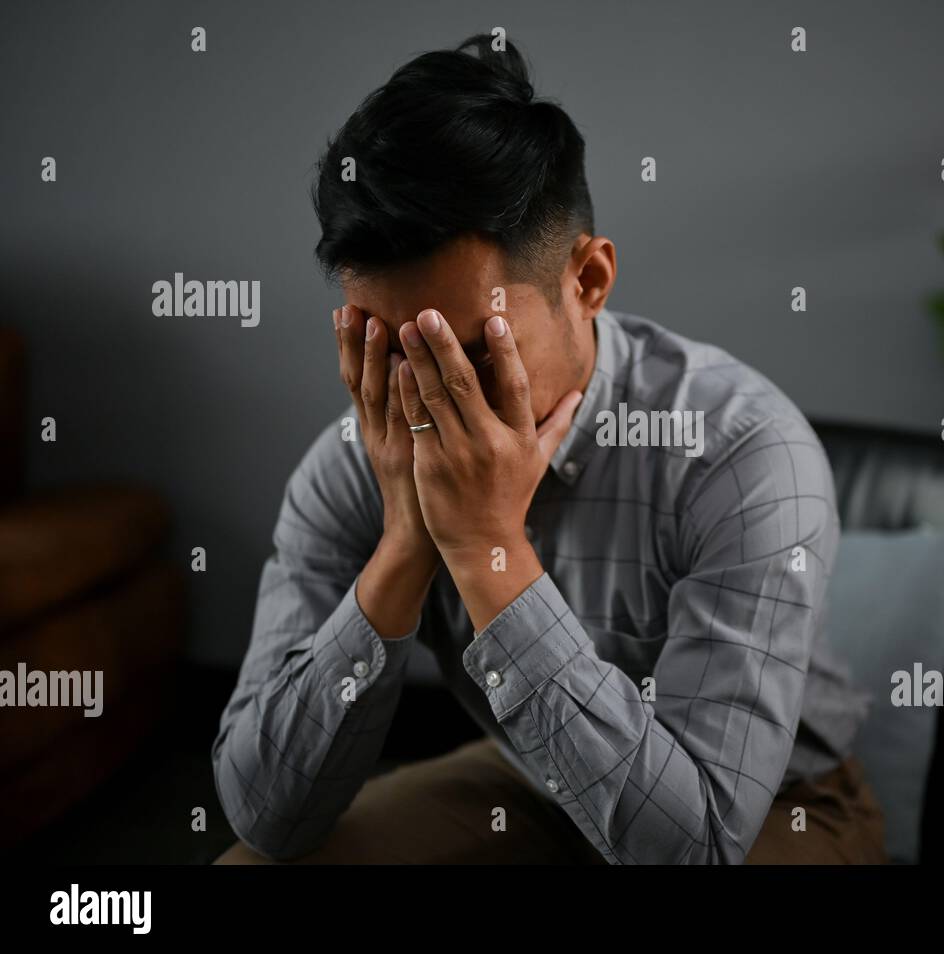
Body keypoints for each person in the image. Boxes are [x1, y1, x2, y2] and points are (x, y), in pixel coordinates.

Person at [212, 32, 885, 865]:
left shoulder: (744, 453)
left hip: (777, 806)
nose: (429, 402)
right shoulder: (359, 461)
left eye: (470, 354)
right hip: (527, 778)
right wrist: (405, 546)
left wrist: (489, 549)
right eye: (394, 357)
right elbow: (263, 817)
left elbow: (699, 846)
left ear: (588, 281)